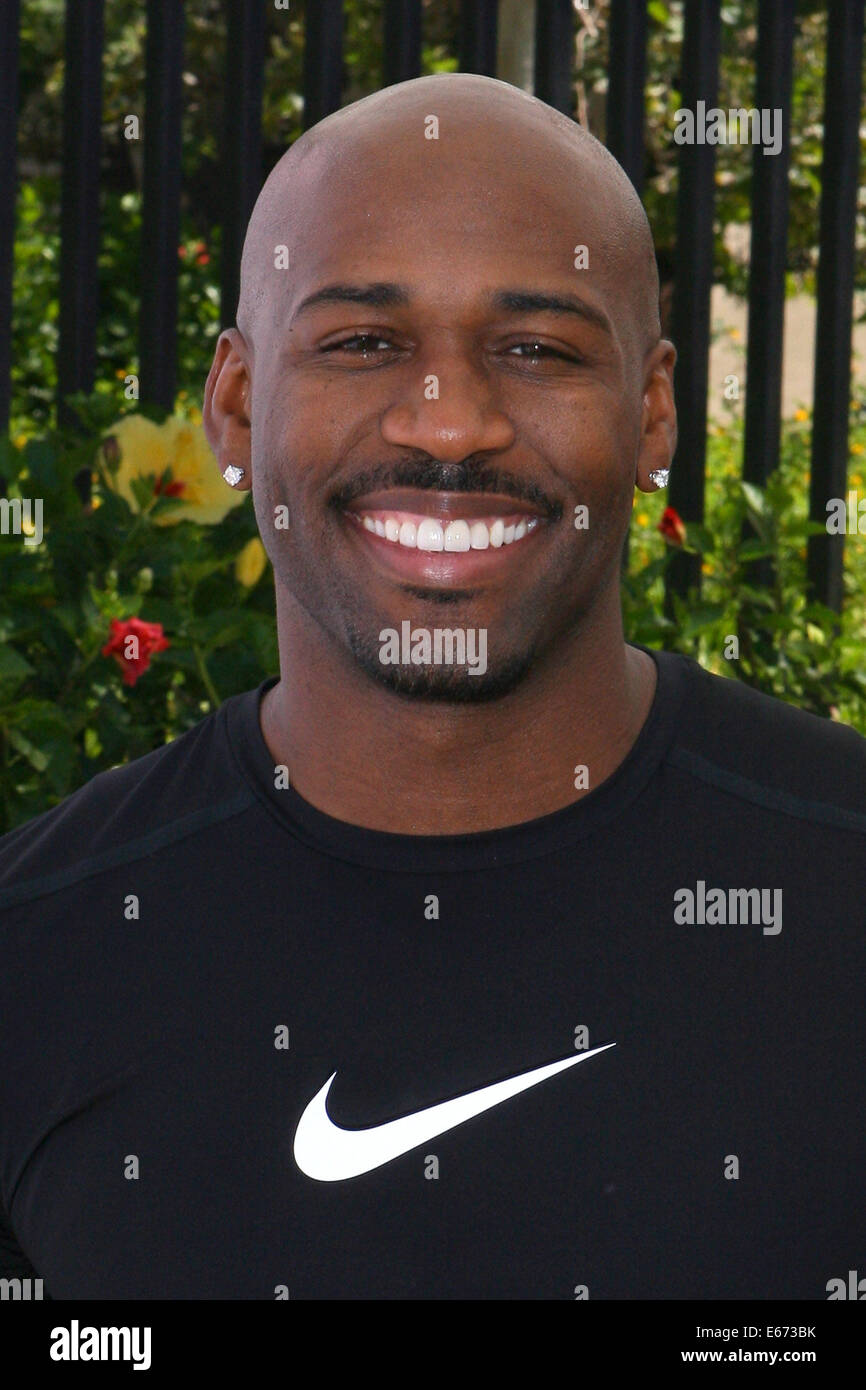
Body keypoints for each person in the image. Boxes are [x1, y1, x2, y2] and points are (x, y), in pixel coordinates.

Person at [1, 72, 864, 1301]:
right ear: (236, 408)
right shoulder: (36, 953)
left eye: (534, 347)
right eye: (362, 342)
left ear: (652, 411)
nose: (449, 422)